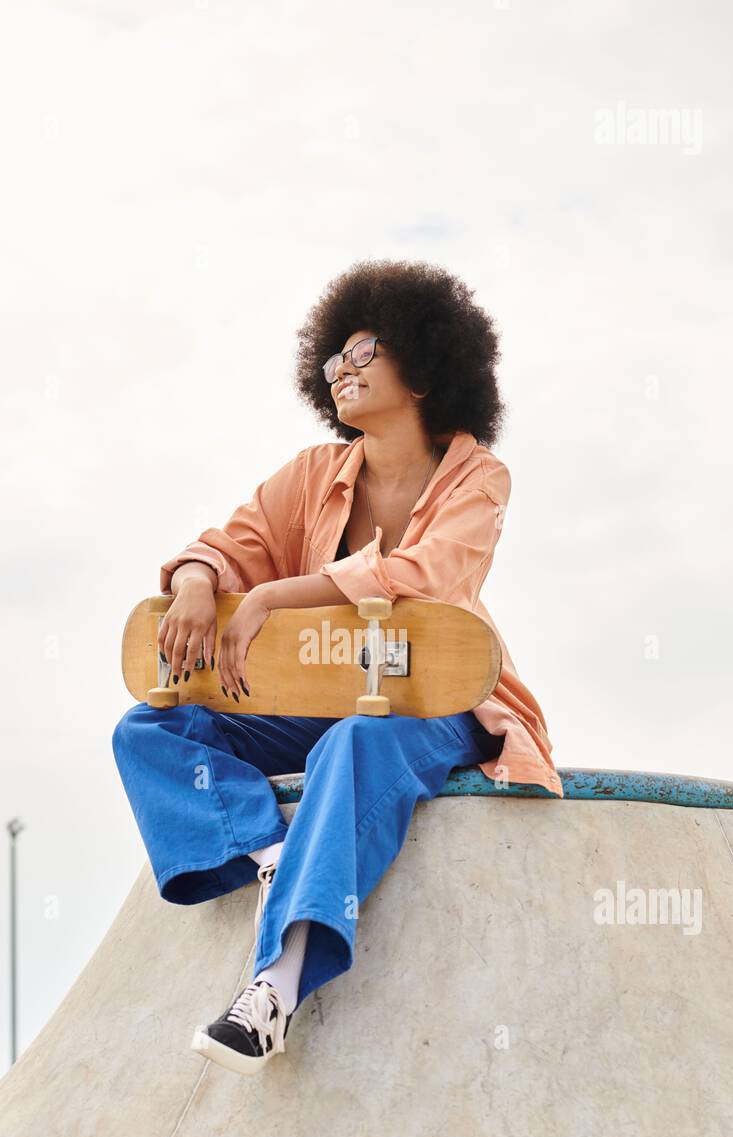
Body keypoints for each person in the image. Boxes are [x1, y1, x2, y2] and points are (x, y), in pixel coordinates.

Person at [112, 258, 563, 1077]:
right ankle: (265, 850)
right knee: (150, 727)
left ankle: (274, 991)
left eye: (364, 353)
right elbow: (229, 540)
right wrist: (195, 583)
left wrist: (279, 595)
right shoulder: (314, 476)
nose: (343, 371)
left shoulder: (477, 478)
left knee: (357, 741)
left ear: (424, 367)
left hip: (436, 699)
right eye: (335, 361)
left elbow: (430, 579)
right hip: (318, 698)